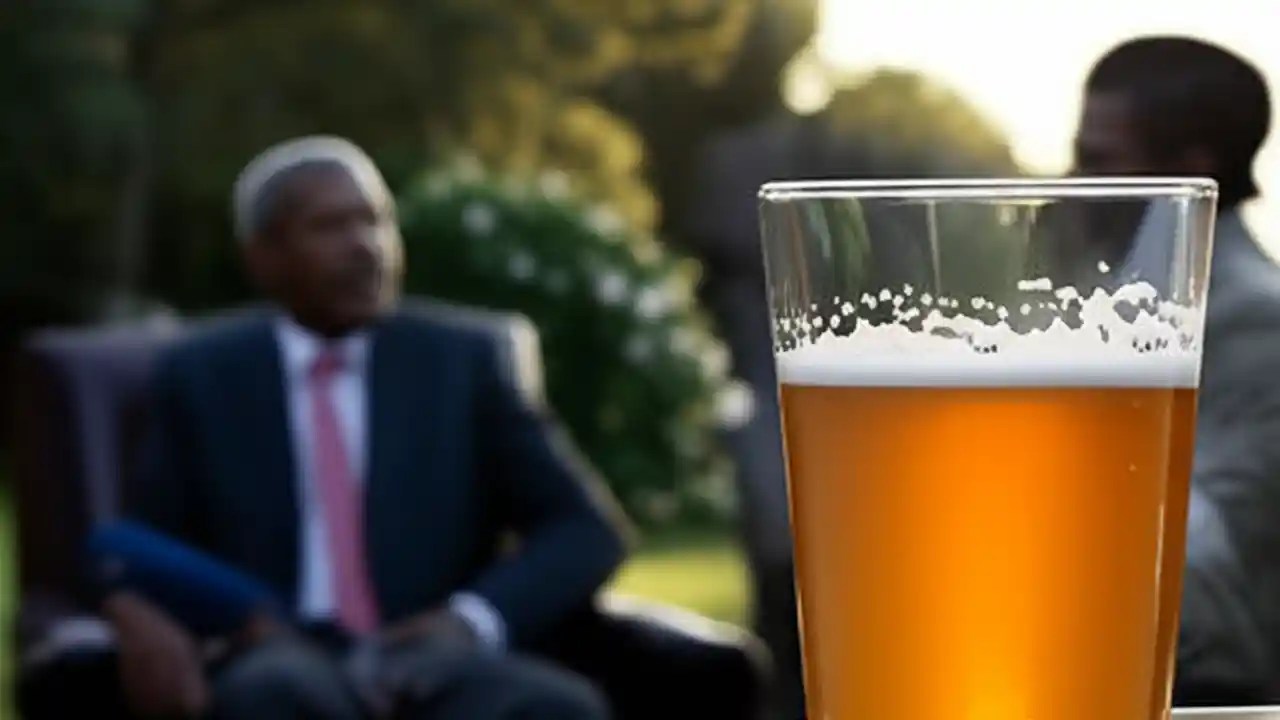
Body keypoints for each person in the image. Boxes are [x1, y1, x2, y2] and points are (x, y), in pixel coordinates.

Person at [104, 135, 632, 719]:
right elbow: (142, 546)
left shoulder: (463, 362)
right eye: (331, 226)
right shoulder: (205, 374)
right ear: (262, 255)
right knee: (272, 695)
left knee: (558, 706)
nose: (365, 246)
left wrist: (468, 622)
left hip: (433, 654)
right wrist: (143, 612)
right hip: (284, 651)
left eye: (376, 221)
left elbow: (585, 529)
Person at [1074, 37, 1280, 703]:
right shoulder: (1130, 301)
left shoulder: (1254, 323)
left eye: (1098, 160)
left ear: (1193, 171)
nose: (1073, 181)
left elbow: (1216, 565)